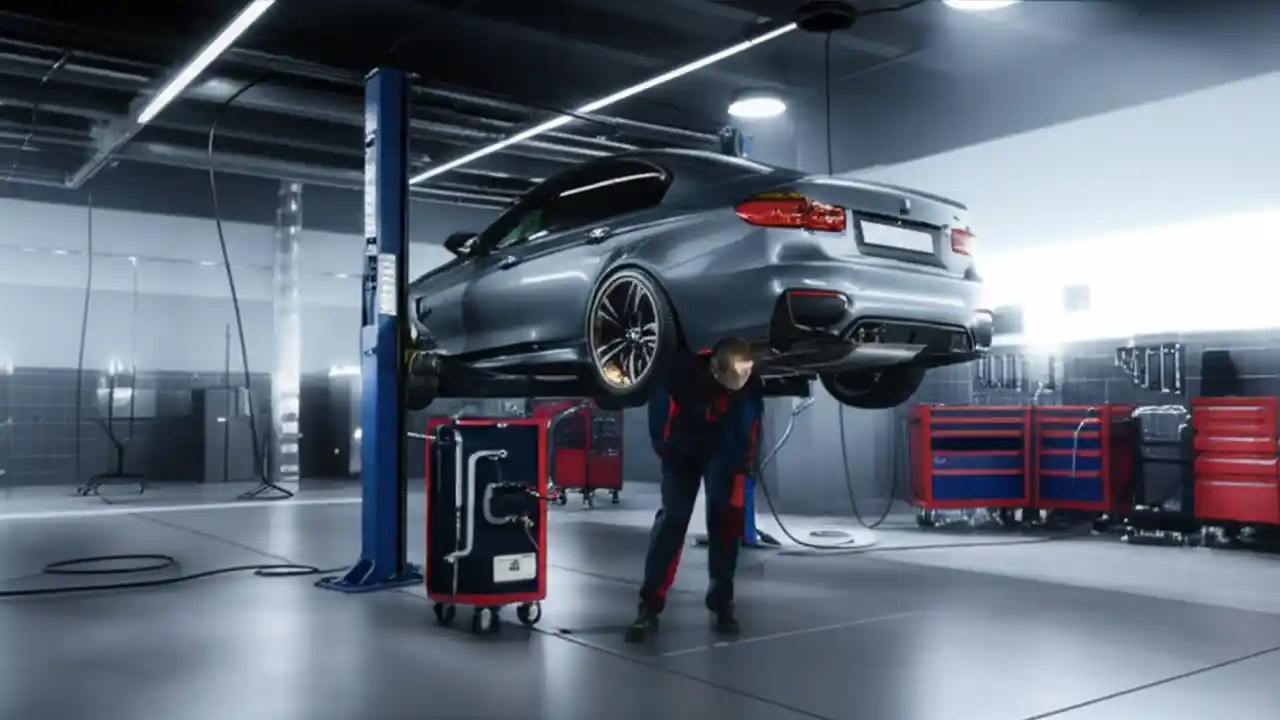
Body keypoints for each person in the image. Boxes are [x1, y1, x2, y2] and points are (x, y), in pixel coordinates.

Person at [624, 336, 764, 643]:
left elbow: (750, 425)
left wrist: (746, 464)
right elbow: (660, 410)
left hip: (724, 452)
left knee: (725, 522)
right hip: (681, 450)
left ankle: (722, 602)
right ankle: (649, 606)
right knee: (672, 520)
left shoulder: (751, 383)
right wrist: (665, 447)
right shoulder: (679, 371)